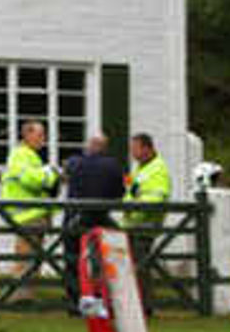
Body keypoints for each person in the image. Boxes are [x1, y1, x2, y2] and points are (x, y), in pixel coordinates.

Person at [61, 134, 125, 310]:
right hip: (102, 218)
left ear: (89, 147)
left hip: (77, 217)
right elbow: (119, 193)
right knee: (102, 261)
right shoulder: (113, 166)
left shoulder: (76, 163)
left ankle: (76, 302)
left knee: (73, 259)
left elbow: (65, 172)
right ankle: (101, 300)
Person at [1, 120, 61, 298]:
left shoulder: (30, 155)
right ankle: (18, 297)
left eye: (44, 134)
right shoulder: (21, 155)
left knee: (33, 259)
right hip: (28, 216)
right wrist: (50, 174)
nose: (44, 139)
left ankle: (26, 296)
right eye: (39, 134)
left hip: (34, 215)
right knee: (26, 259)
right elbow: (31, 180)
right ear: (27, 135)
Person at [122, 133, 171, 313]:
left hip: (145, 225)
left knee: (141, 266)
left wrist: (132, 208)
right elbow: (132, 192)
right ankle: (139, 304)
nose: (132, 153)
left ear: (147, 148)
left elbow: (156, 198)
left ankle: (145, 306)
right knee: (136, 266)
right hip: (133, 225)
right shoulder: (141, 168)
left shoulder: (157, 169)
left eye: (135, 148)